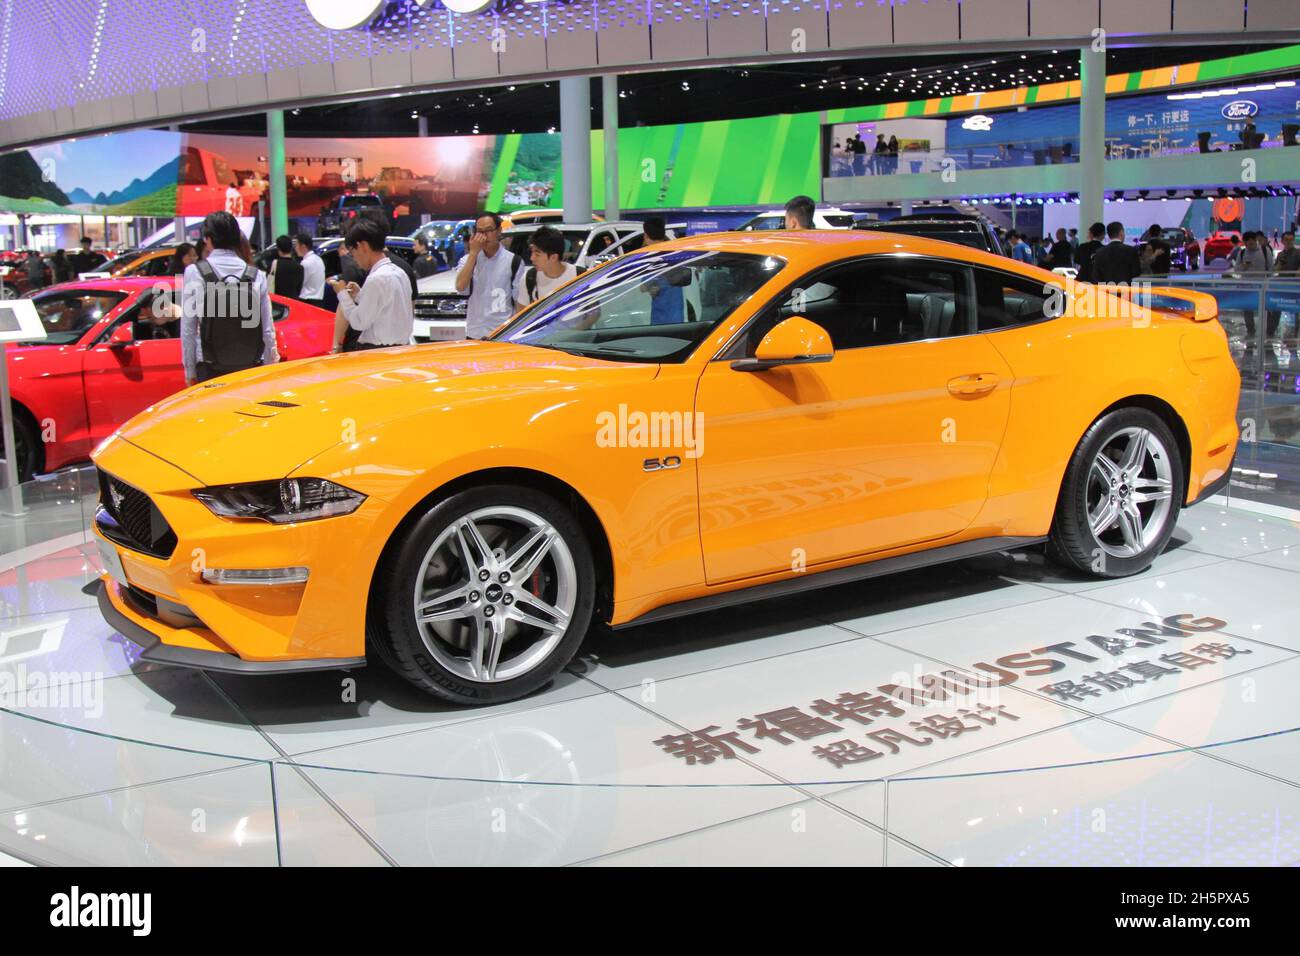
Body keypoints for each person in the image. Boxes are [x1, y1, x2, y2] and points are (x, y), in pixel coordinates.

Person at [181, 211, 278, 385]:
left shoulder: (195, 272)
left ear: (208, 239)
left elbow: (188, 328)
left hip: (209, 366)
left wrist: (190, 371)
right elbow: (267, 329)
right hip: (250, 365)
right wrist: (270, 366)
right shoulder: (256, 275)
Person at [328, 218, 415, 352]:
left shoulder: (376, 279)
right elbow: (385, 307)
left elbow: (359, 322)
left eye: (352, 252)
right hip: (402, 348)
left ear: (362, 246)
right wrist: (359, 295)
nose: (354, 259)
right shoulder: (399, 273)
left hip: (377, 351)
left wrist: (342, 294)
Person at [454, 212, 522, 339]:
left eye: (489, 230)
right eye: (480, 231)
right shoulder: (468, 260)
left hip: (503, 333)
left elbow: (519, 302)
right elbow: (460, 287)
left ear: (499, 231)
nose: (484, 236)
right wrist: (473, 253)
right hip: (475, 332)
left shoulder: (514, 261)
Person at [514, 226, 579, 309]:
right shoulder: (529, 278)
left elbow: (593, 312)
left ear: (554, 257)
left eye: (537, 254)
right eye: (532, 252)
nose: (532, 258)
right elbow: (521, 315)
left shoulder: (579, 275)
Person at [268, 235, 304, 299]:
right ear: (291, 248)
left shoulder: (273, 264)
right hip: (293, 302)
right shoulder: (300, 267)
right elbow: (299, 289)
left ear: (278, 249)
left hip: (277, 302)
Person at [294, 233, 325, 303]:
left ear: (303, 246)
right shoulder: (319, 259)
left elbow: (301, 283)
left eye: (296, 245)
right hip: (319, 300)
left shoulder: (305, 263)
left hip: (307, 300)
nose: (295, 248)